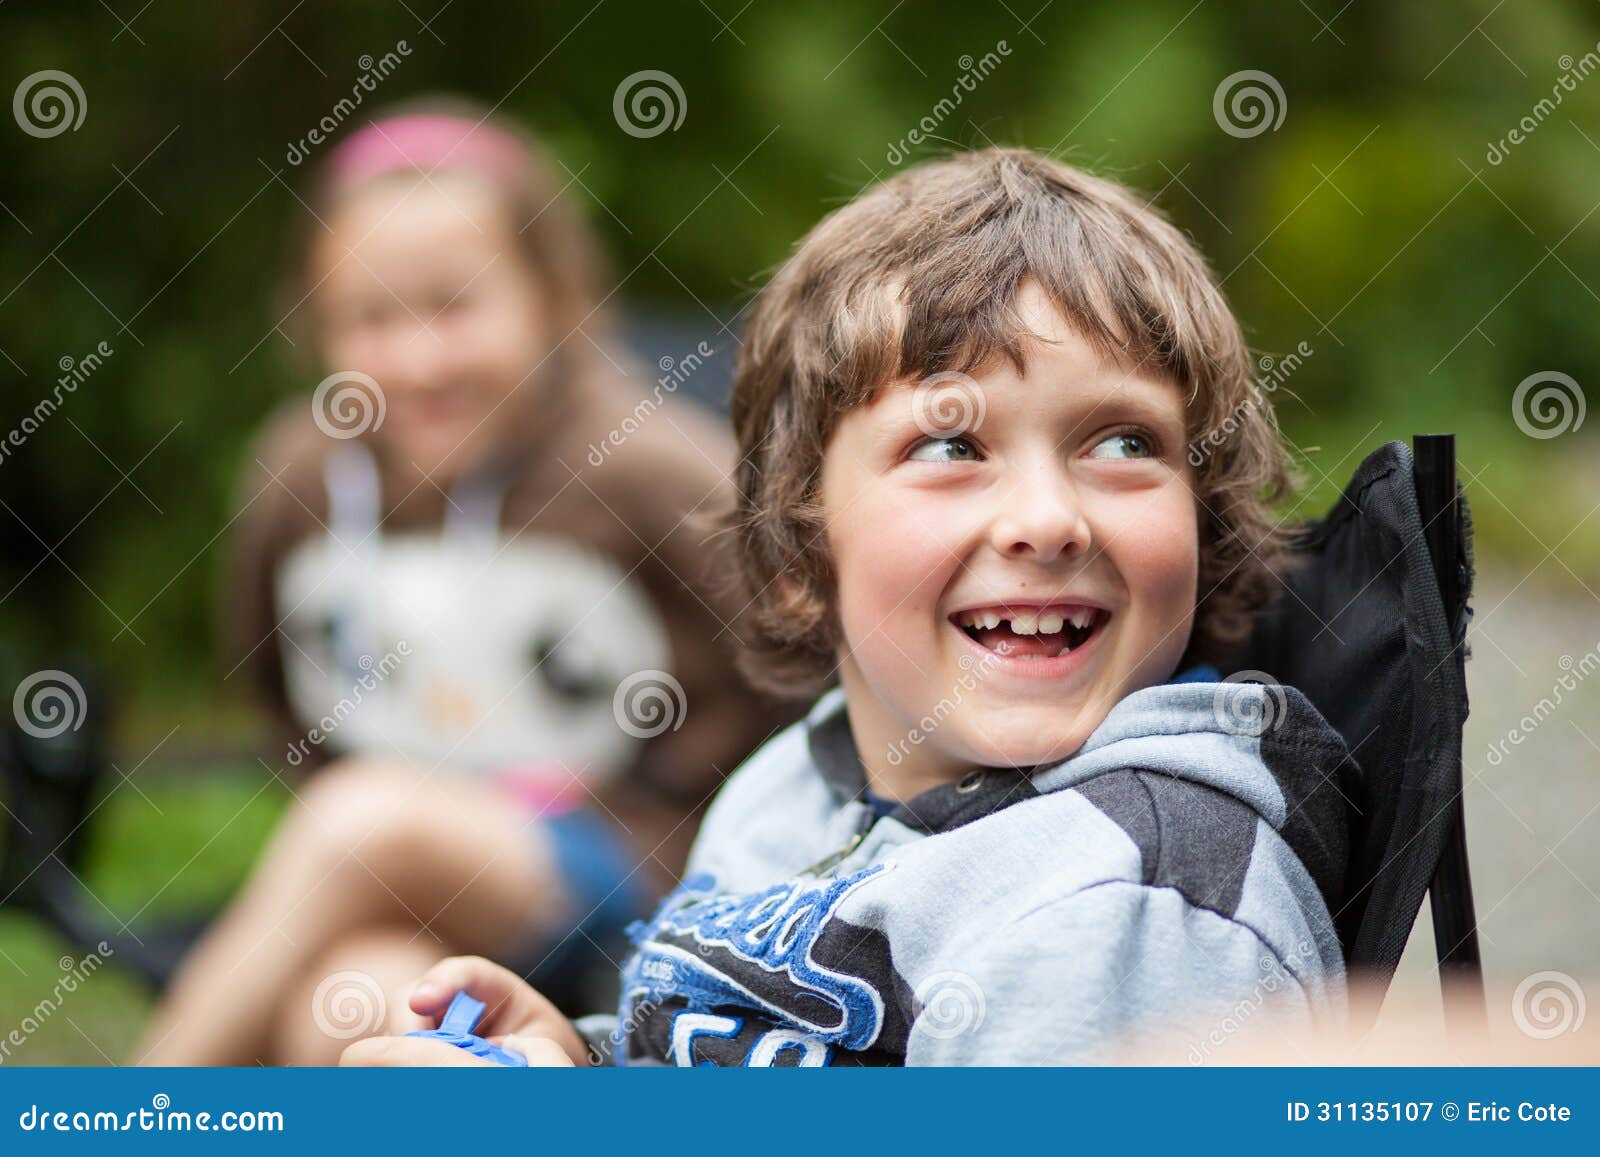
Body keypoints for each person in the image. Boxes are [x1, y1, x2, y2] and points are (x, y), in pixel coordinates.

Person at [341, 146, 1354, 1067]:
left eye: (1123, 442)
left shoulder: (1132, 907)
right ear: (796, 555)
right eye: (951, 447)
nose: (1048, 520)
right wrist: (576, 1060)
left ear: (1205, 523)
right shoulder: (790, 786)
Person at [136, 99, 787, 1066]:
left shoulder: (651, 471)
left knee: (365, 818)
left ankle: (123, 1107)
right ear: (319, 328)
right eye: (373, 317)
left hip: (638, 870)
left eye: (456, 304)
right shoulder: (298, 479)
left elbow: (798, 669)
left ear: (555, 300)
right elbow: (278, 684)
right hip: (412, 890)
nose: (419, 357)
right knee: (346, 1003)